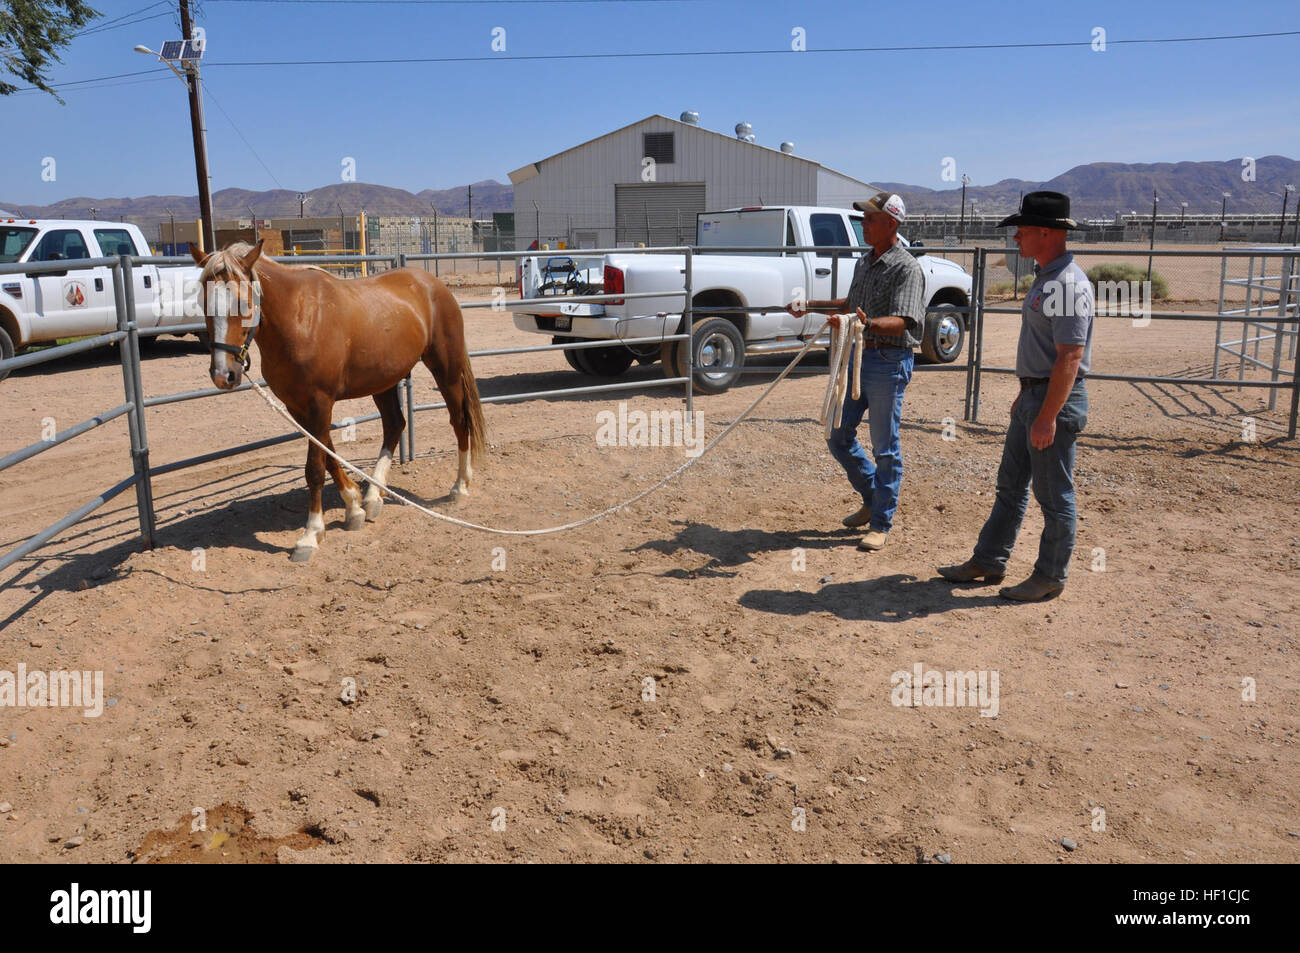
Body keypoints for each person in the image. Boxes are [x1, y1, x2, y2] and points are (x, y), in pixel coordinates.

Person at [938, 190, 1094, 600]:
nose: (1016, 239)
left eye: (1022, 231)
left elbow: (1070, 357)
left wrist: (1046, 414)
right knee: (1010, 485)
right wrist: (1027, 397)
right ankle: (989, 560)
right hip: (1034, 397)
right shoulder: (1048, 279)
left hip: (1050, 402)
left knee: (1053, 495)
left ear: (1046, 233)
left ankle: (1049, 576)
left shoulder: (1065, 284)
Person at [789, 192, 925, 551]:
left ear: (891, 224)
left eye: (870, 219)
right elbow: (851, 305)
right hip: (861, 359)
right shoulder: (865, 263)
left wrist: (866, 324)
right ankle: (873, 497)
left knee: (885, 446)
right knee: (838, 435)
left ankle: (881, 522)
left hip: (888, 361)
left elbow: (905, 321)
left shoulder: (906, 267)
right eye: (864, 219)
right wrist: (811, 306)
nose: (863, 224)